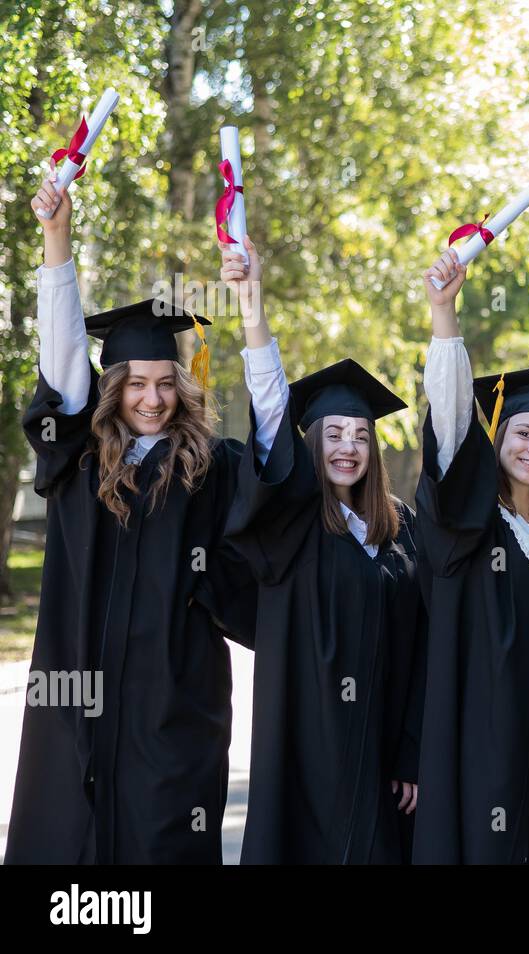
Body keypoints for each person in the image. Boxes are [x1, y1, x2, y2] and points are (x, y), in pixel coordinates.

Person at [6, 176, 254, 864]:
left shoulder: (211, 469)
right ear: (111, 388)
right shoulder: (79, 460)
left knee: (163, 842)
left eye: (166, 383)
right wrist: (58, 239)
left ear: (184, 386)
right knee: (70, 844)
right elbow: (60, 363)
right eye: (135, 384)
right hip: (75, 694)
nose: (152, 398)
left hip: (173, 707)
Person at [219, 240, 424, 864]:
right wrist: (252, 308)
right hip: (305, 753)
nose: (347, 447)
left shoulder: (400, 532)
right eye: (332, 433)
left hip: (384, 755)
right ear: (311, 445)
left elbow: (420, 650)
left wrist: (412, 752)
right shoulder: (296, 524)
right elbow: (272, 413)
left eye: (361, 436)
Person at [412, 250, 529, 864]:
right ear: (498, 435)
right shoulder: (470, 527)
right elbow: (452, 425)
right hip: (475, 768)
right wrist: (445, 315)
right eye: (522, 432)